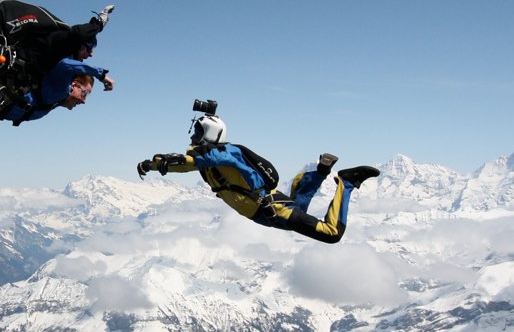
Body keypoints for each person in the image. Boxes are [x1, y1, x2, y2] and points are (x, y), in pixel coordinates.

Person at [136, 102, 380, 244]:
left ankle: (346, 182)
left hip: (271, 209)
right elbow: (192, 163)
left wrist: (159, 162)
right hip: (267, 210)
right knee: (298, 208)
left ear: (208, 135)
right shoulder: (213, 160)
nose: (192, 136)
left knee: (331, 234)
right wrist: (156, 163)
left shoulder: (221, 154)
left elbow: (194, 160)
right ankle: (319, 171)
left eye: (197, 132)